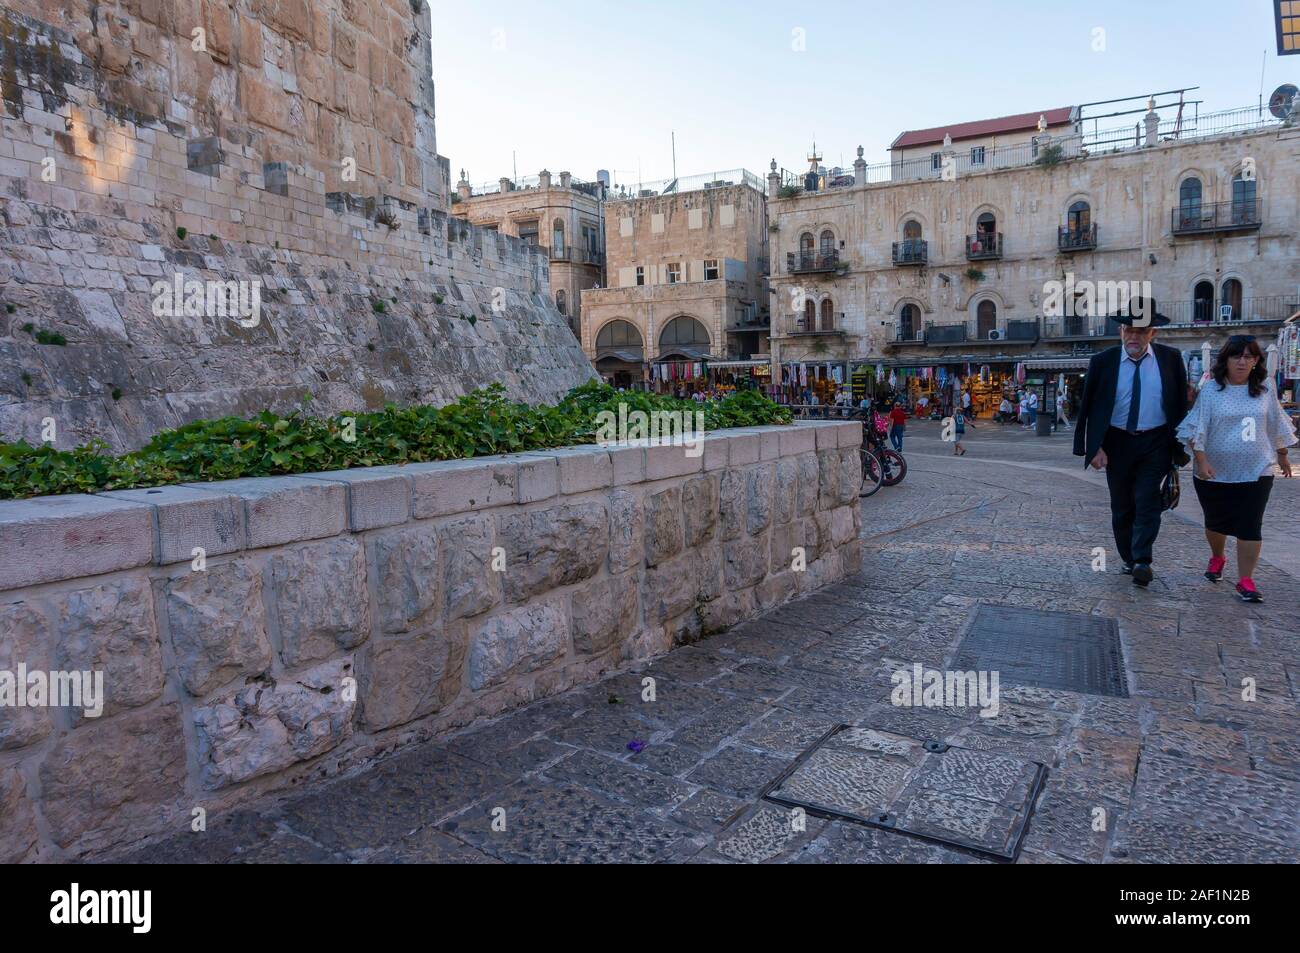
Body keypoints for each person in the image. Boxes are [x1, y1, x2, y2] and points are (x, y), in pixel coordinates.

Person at [1073, 297, 1189, 587]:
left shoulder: (1171, 359)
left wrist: (1182, 445)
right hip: (1117, 442)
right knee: (1122, 505)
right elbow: (1089, 407)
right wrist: (1093, 446)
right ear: (1121, 332)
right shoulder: (1103, 362)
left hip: (1156, 441)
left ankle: (1142, 560)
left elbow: (1178, 405)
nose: (1134, 336)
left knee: (1147, 500)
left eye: (1141, 330)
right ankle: (1128, 557)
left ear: (1153, 333)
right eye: (1129, 330)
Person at [1176, 336, 1296, 603]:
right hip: (1214, 470)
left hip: (1257, 469)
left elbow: (1275, 421)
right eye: (1236, 356)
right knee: (1215, 522)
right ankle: (1218, 557)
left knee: (1250, 524)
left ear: (1256, 361)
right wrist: (1202, 459)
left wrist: (1283, 454)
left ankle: (1246, 580)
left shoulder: (1265, 387)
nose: (1242, 362)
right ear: (1226, 359)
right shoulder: (1211, 390)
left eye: (1249, 357)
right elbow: (1197, 426)